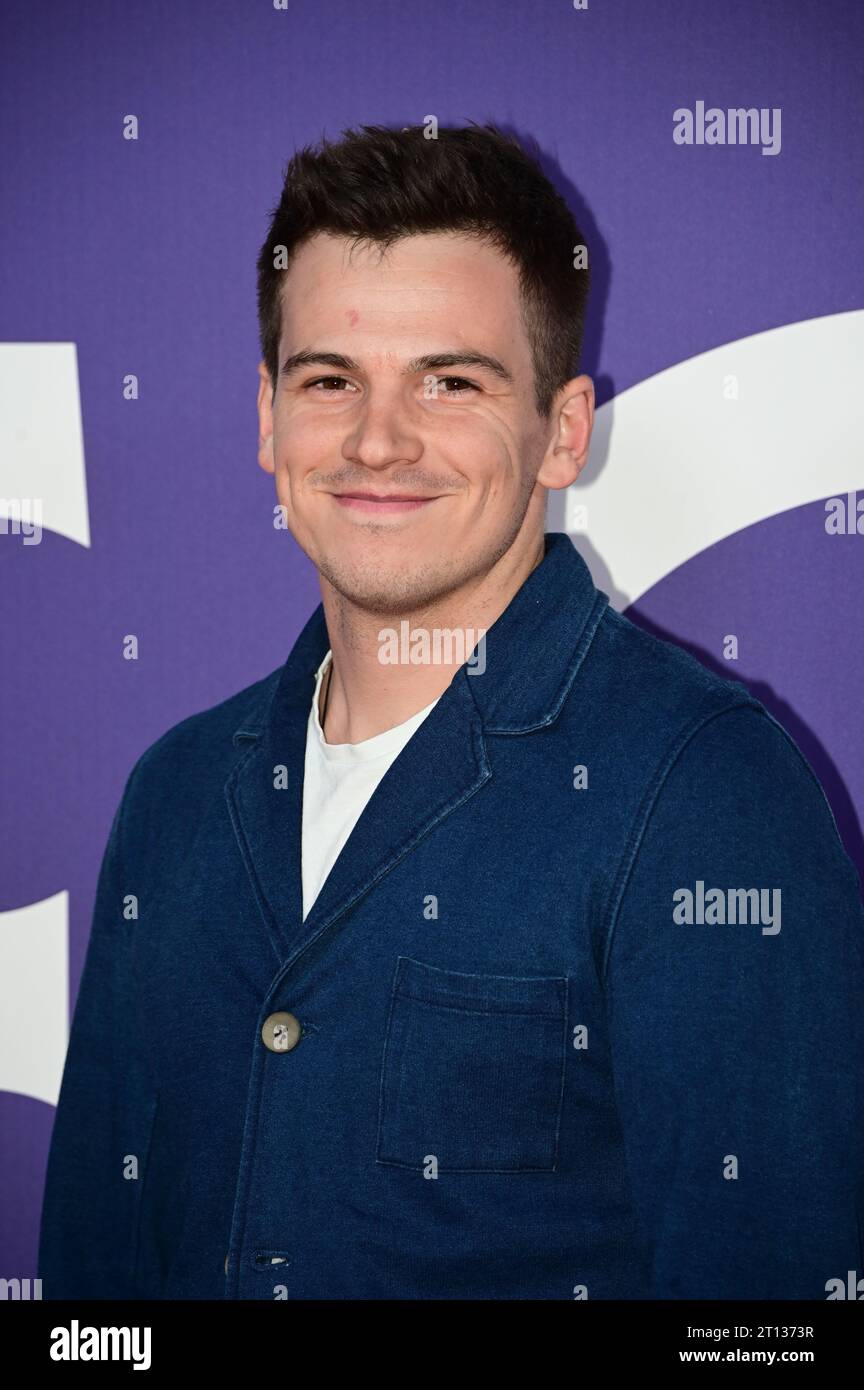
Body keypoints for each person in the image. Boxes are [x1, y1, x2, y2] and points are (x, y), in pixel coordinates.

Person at [39, 123, 864, 1300]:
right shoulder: (172, 795)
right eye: (330, 381)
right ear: (269, 418)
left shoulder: (706, 794)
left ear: (563, 431)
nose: (379, 440)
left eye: (451, 382)